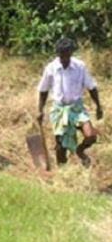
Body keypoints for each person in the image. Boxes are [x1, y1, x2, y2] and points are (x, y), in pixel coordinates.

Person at [37, 38, 103, 166]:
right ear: (58, 55)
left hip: (76, 108)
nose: (64, 59)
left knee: (91, 136)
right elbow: (43, 90)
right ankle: (63, 171)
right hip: (59, 109)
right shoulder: (51, 68)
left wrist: (98, 106)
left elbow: (91, 87)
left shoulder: (80, 66)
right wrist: (40, 110)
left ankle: (80, 151)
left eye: (67, 55)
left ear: (71, 54)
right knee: (61, 146)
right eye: (62, 56)